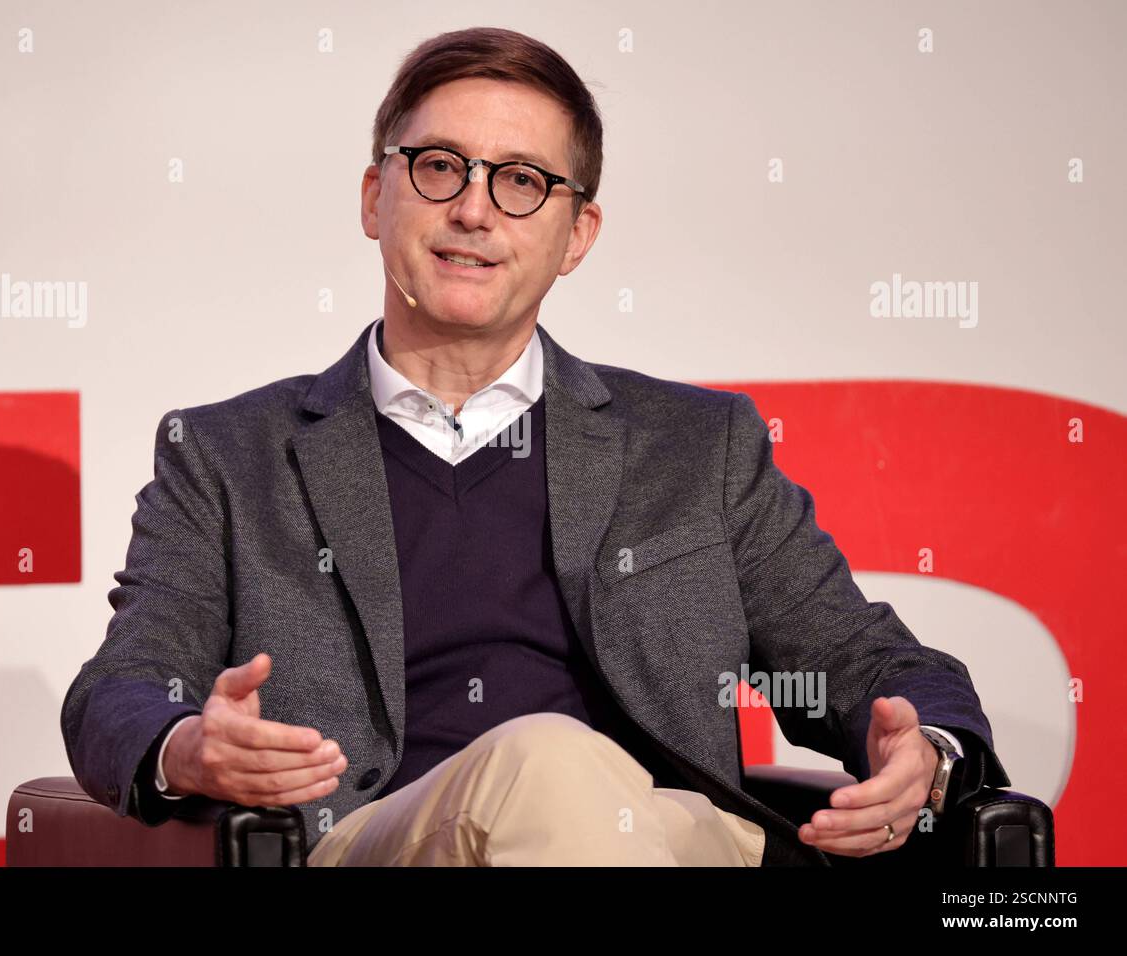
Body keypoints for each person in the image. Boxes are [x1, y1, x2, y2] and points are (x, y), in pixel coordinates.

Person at [60, 27, 1009, 866]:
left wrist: (925, 748)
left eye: (522, 182)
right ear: (373, 196)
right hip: (378, 844)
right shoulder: (229, 458)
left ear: (576, 234)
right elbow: (124, 685)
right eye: (439, 167)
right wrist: (186, 745)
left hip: (677, 841)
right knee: (543, 758)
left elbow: (865, 660)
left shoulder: (696, 446)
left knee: (577, 782)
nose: (474, 210)